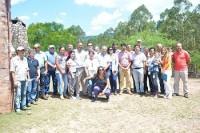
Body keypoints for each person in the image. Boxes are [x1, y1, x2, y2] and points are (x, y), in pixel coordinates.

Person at [10, 46, 30, 114]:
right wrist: (14, 80)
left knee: (24, 93)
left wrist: (28, 77)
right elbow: (12, 71)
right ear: (17, 51)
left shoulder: (25, 59)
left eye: (23, 50)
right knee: (18, 94)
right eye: (21, 50)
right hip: (18, 79)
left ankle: (23, 106)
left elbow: (27, 69)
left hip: (24, 78)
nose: (22, 52)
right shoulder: (13, 59)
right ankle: (17, 108)